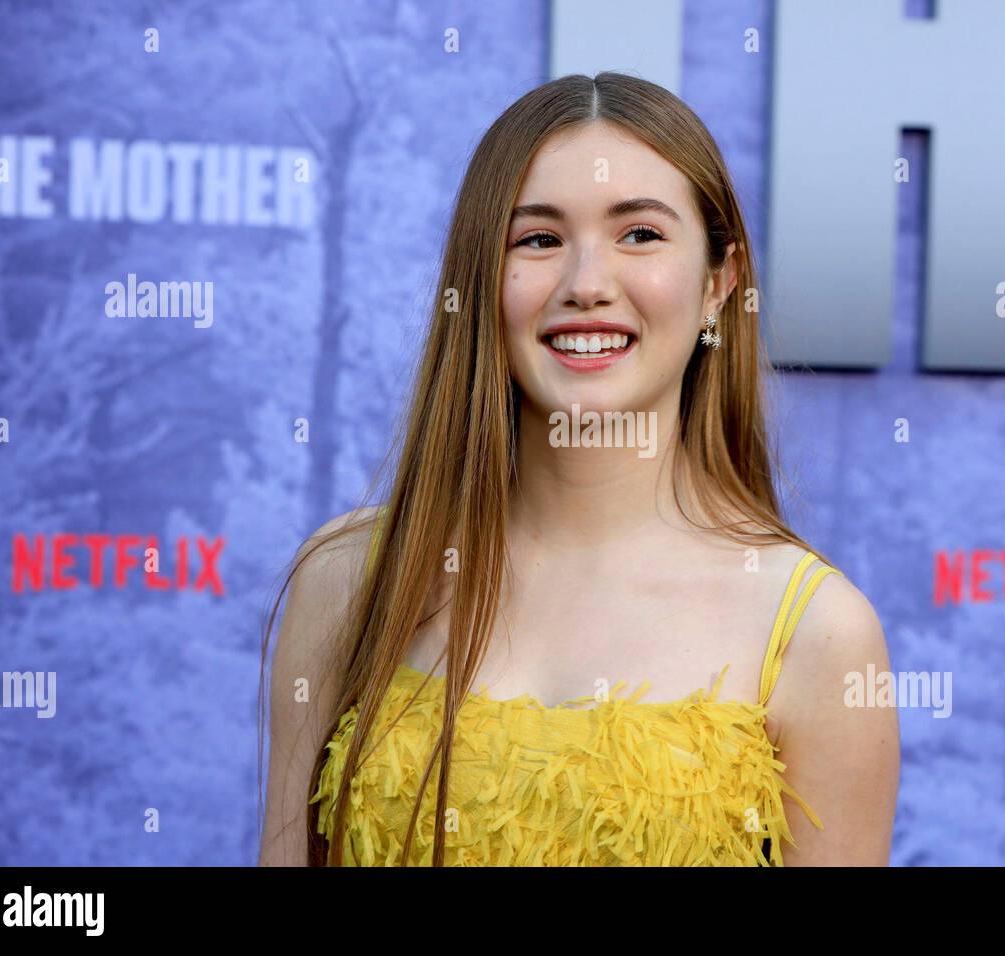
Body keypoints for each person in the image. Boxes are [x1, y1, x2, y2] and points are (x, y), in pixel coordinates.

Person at [258, 72, 898, 866]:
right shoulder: (348, 579)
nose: (586, 284)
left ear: (717, 285)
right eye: (538, 239)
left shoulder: (817, 633)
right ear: (480, 282)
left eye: (640, 235)